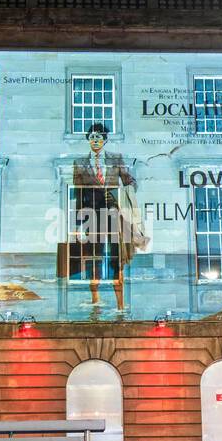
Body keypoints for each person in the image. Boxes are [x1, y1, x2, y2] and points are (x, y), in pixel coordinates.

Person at [71, 122, 143, 312]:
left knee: (115, 258)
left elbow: (130, 181)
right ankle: (96, 302)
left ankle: (120, 305)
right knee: (94, 257)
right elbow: (78, 195)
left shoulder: (116, 159)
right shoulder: (79, 164)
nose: (95, 140)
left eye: (99, 137)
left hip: (113, 214)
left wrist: (124, 192)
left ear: (105, 140)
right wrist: (78, 224)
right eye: (92, 137)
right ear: (88, 140)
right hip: (91, 216)